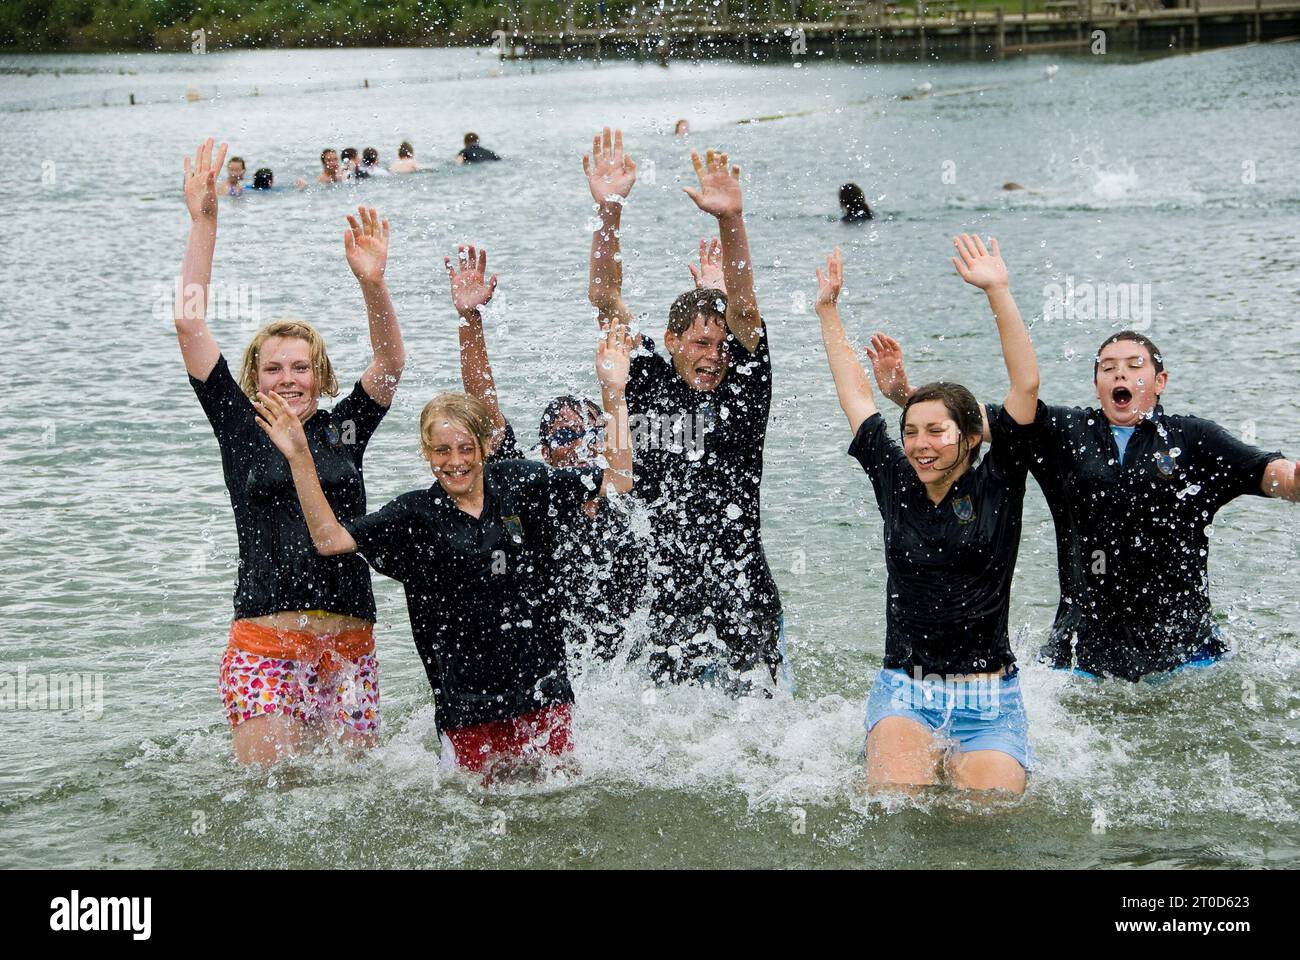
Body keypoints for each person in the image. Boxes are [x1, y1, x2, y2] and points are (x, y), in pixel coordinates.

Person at [254, 329, 634, 784]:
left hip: (545, 695)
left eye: (466, 449)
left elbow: (619, 479)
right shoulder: (413, 515)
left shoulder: (523, 484)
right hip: (465, 711)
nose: (455, 462)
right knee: (477, 820)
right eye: (442, 451)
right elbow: (329, 539)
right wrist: (299, 455)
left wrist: (614, 393)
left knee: (563, 809)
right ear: (427, 452)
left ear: (485, 447)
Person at [869, 329, 1300, 681]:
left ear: (1160, 382)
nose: (1121, 375)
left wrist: (1293, 478)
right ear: (1097, 385)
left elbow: (1266, 471)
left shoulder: (1194, 439)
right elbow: (965, 423)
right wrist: (905, 393)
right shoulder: (1064, 431)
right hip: (1082, 650)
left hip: (1186, 648)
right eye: (1108, 368)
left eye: (1135, 367)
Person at [176, 138, 406, 764]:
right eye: (273, 369)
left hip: (349, 640)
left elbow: (389, 362)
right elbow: (191, 326)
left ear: (321, 376)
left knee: (352, 806)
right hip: (265, 642)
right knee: (272, 808)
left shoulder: (344, 429)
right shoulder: (238, 425)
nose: (287, 379)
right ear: (255, 379)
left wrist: (373, 283)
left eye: (300, 368)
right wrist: (204, 224)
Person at [814, 237, 1042, 794]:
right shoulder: (895, 480)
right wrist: (827, 310)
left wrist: (998, 290)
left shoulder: (1000, 480)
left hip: (989, 694)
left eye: (936, 431)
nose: (920, 444)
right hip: (906, 688)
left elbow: (1026, 385)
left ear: (969, 437)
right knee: (895, 802)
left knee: (989, 813)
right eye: (911, 431)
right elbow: (856, 397)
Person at [585, 126, 783, 695]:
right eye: (700, 342)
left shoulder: (744, 392)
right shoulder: (643, 376)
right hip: (662, 599)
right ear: (671, 339)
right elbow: (605, 298)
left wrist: (730, 221)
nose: (714, 356)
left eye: (722, 345)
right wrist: (609, 212)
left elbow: (744, 309)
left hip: (743, 592)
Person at [445, 243, 646, 663]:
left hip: (623, 659)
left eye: (587, 431)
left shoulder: (620, 492)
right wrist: (470, 319)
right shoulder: (532, 490)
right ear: (545, 454)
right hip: (551, 657)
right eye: (561, 437)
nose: (576, 445)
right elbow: (482, 408)